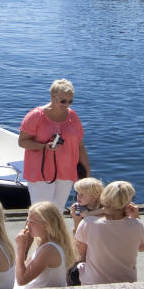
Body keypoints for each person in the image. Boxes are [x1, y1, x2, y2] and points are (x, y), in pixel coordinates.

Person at [18, 79, 91, 209]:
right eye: (63, 101)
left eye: (70, 101)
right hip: (41, 172)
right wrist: (43, 147)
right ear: (53, 96)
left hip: (67, 171)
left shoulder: (72, 116)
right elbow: (22, 142)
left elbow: (80, 146)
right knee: (41, 212)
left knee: (58, 211)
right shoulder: (36, 116)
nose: (66, 104)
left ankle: (54, 230)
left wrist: (87, 175)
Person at [74, 180, 144, 285]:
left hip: (94, 282)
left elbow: (78, 254)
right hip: (127, 280)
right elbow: (143, 247)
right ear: (128, 202)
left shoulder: (88, 223)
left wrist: (77, 221)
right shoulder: (137, 225)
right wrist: (135, 217)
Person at [14, 200, 78, 289]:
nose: (27, 226)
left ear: (47, 225)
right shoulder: (46, 244)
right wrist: (26, 247)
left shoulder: (49, 249)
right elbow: (23, 268)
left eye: (32, 222)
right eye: (27, 221)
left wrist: (20, 248)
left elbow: (21, 280)